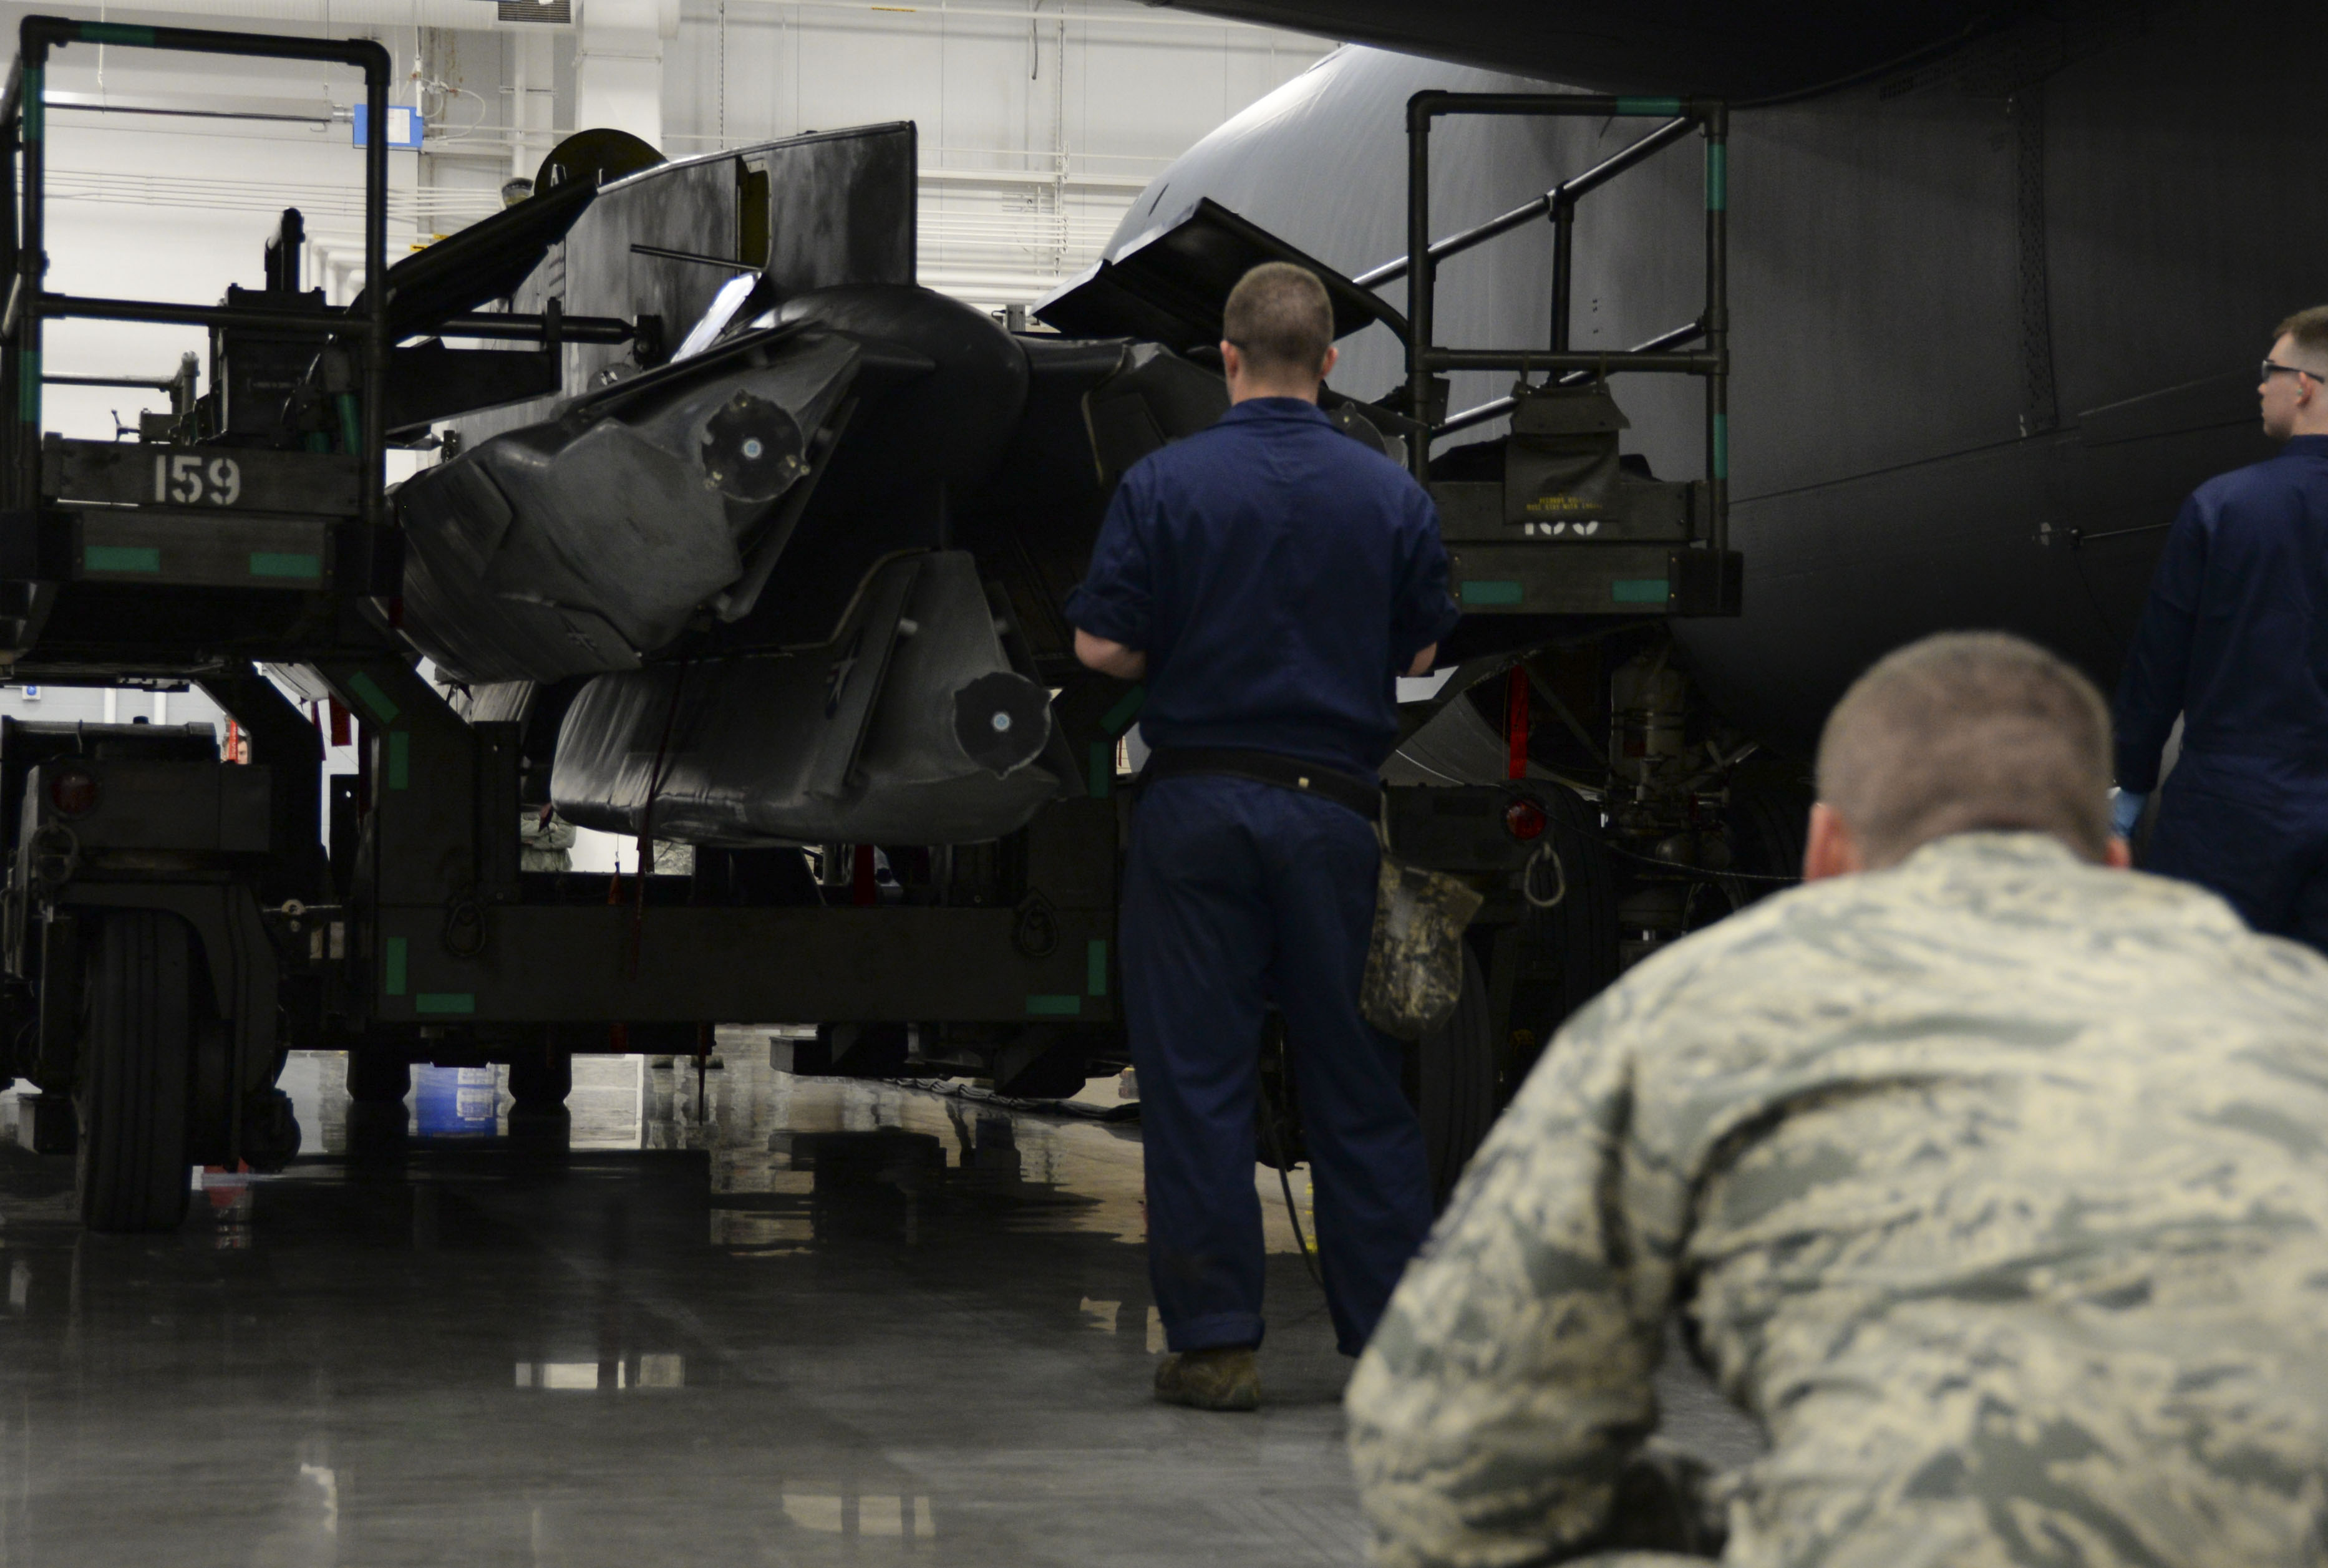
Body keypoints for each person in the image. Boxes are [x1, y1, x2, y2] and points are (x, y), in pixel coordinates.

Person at [1349, 632, 2328, 1567]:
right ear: (2111, 870)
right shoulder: (2300, 1010)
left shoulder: (1690, 1017)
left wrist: (1735, 1530)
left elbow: (1445, 1452)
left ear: (1824, 853)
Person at [1065, 261, 1460, 1412]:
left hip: (1197, 807)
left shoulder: (1163, 481)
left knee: (1197, 1079)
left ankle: (1218, 1344)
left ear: (1225, 359)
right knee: (1357, 1081)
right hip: (1332, 810)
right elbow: (1423, 653)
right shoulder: (1387, 491)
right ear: (1330, 362)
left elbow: (1102, 652)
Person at [2113, 305, 2328, 954]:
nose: (2261, 387)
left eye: (2270, 372)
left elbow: (2159, 666)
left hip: (2230, 818)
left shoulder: (2223, 506)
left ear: (2306, 386)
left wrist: (2133, 781)